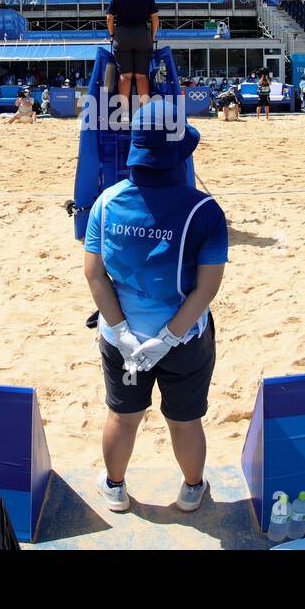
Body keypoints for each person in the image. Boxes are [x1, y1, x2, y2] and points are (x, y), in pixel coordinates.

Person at [83, 100, 227, 514]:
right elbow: (205, 290)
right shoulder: (204, 210)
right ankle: (192, 489)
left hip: (121, 338)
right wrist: (167, 337)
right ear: (180, 153)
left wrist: (124, 332)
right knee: (184, 421)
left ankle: (114, 488)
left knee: (123, 417)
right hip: (184, 340)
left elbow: (95, 275)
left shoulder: (107, 203)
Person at [105, 0, 160, 110]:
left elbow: (109, 18)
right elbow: (155, 19)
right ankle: (144, 113)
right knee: (141, 76)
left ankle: (123, 112)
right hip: (142, 35)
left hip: (122, 36)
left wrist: (112, 35)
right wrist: (151, 36)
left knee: (125, 75)